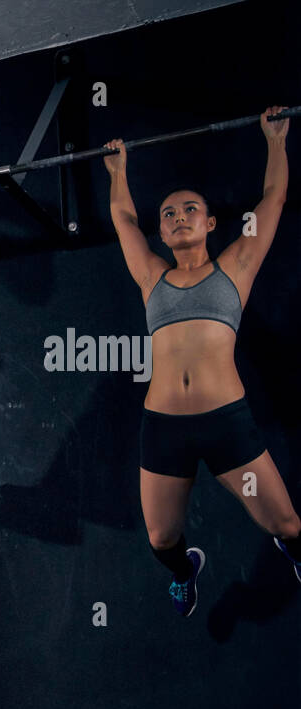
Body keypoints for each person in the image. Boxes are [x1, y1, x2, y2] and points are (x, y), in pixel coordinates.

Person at [104, 106, 301, 616]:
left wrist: (275, 140)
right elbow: (124, 219)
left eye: (189, 209)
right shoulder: (152, 277)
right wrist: (118, 171)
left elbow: (273, 197)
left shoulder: (236, 266)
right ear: (163, 233)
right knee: (161, 537)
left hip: (226, 423)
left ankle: (293, 553)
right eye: (168, 214)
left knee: (288, 525)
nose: (177, 217)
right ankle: (186, 570)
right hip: (164, 427)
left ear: (210, 222)